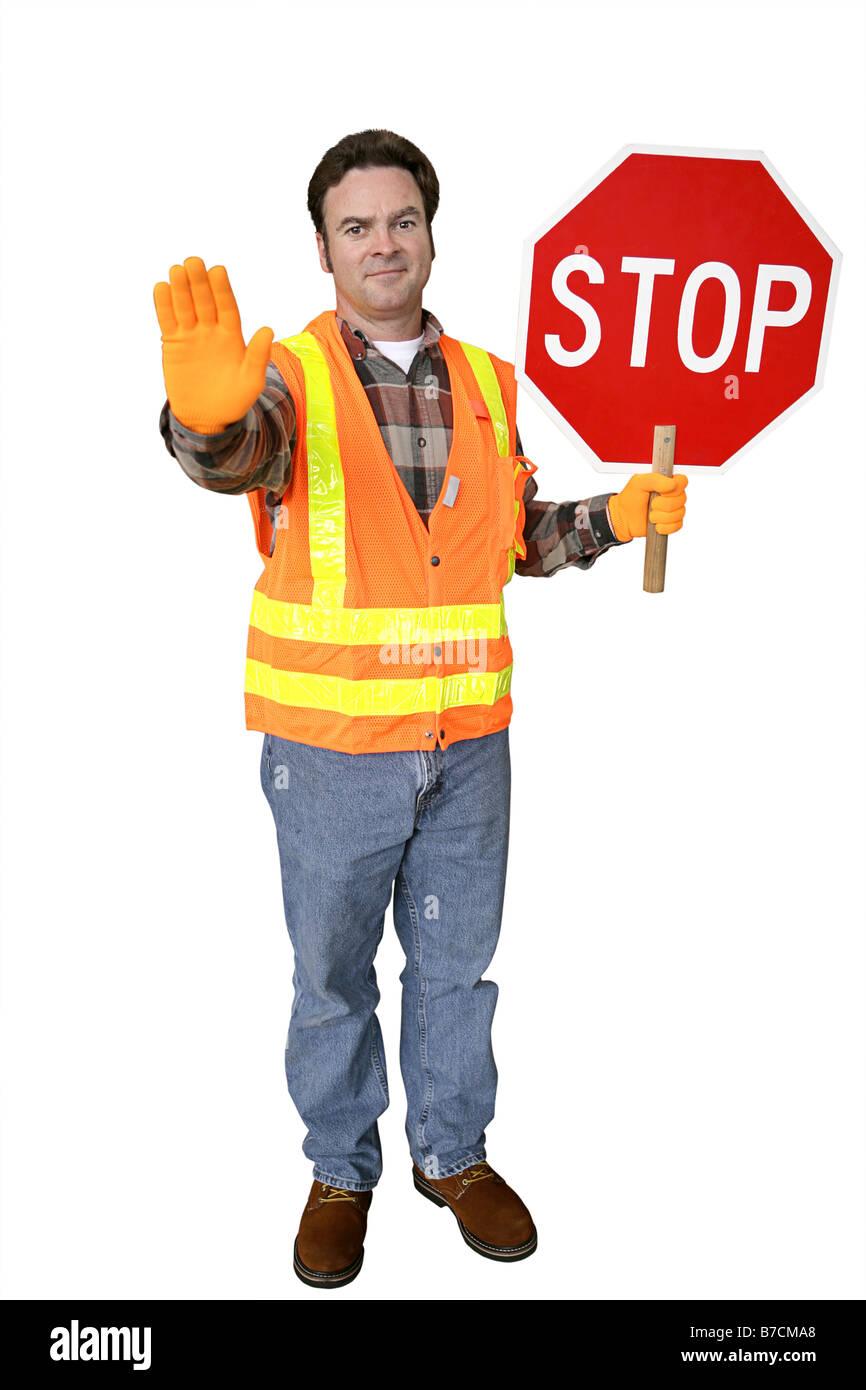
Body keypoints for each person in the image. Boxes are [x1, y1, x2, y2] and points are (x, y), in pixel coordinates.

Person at [154, 129, 687, 1290]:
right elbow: (238, 454)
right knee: (332, 975)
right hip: (334, 750)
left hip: (468, 751)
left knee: (458, 969)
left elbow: (514, 543)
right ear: (323, 247)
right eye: (357, 226)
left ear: (431, 234)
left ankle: (451, 1153)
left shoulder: (492, 382)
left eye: (401, 220)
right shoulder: (287, 378)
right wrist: (202, 422)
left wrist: (617, 516)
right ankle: (341, 1171)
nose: (381, 242)